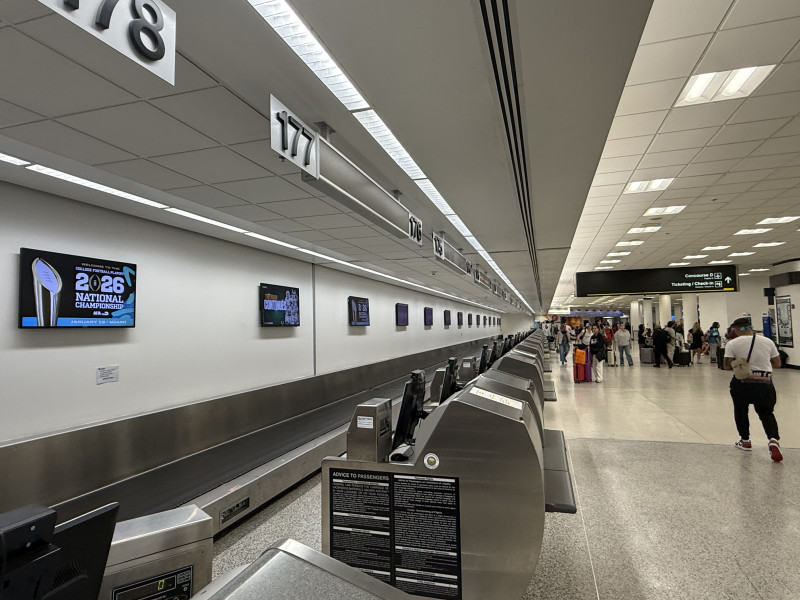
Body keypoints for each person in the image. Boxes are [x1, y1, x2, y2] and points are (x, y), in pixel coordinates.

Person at [724, 318, 783, 462]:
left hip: (742, 383)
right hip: (765, 383)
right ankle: (773, 440)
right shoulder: (768, 341)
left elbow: (726, 366)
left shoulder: (732, 343)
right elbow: (777, 364)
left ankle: (745, 441)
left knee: (741, 411)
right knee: (766, 413)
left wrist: (740, 363)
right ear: (750, 327)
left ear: (736, 329)